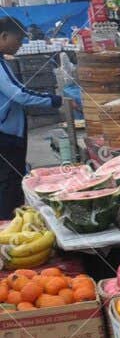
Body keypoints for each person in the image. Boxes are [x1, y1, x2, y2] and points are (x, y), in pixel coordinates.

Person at [1, 16, 64, 217]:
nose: (20, 45)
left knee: (7, 179)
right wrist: (53, 100)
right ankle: (9, 225)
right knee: (9, 182)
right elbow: (19, 94)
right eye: (18, 40)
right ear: (3, 36)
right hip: (6, 134)